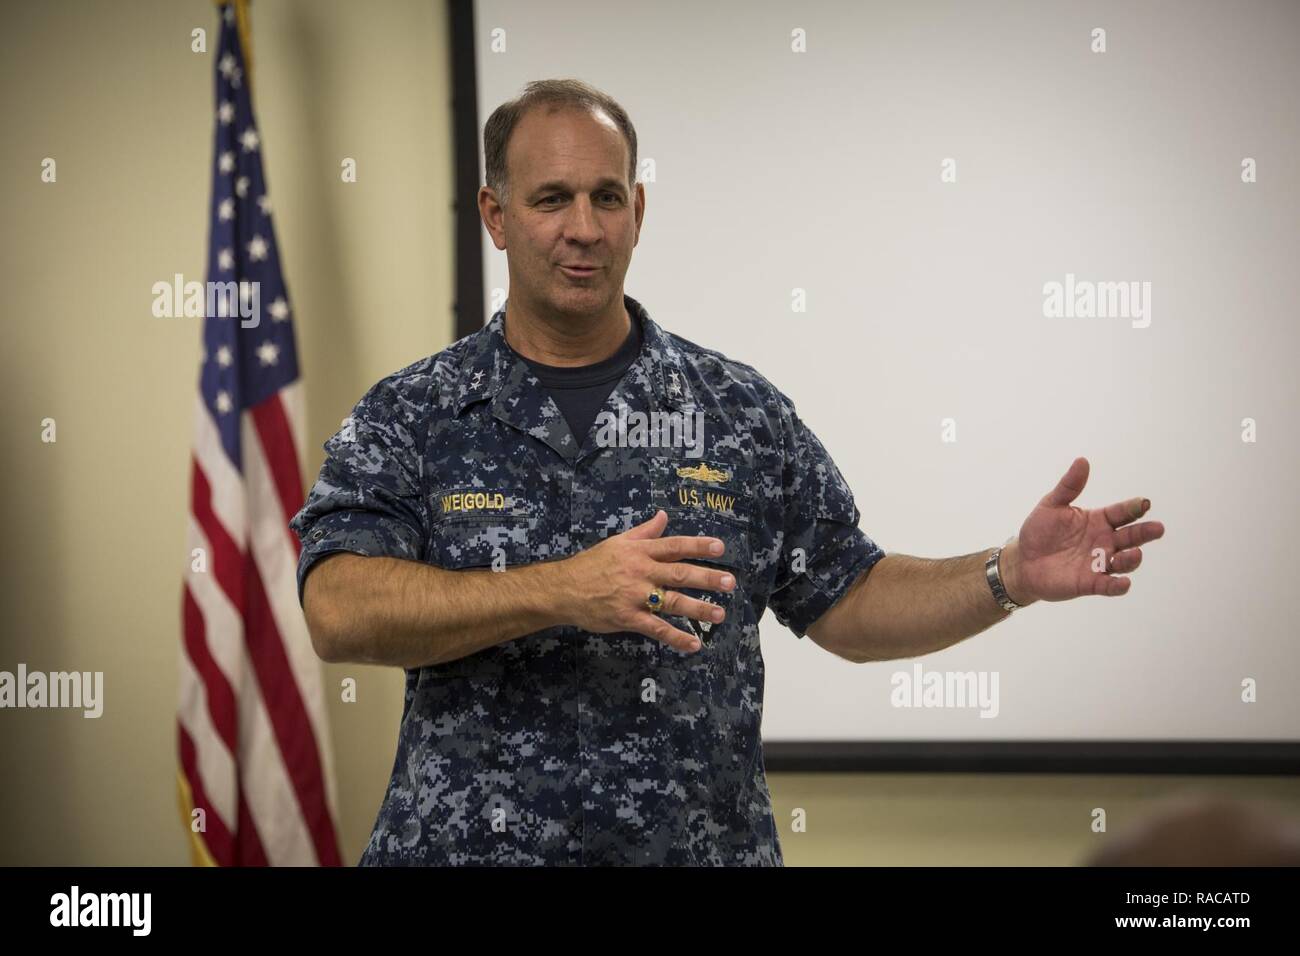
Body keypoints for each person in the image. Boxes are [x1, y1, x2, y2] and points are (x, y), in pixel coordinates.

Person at [290, 78, 1165, 866]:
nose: (583, 228)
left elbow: (848, 600)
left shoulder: (739, 413)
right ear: (496, 214)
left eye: (606, 198)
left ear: (638, 208)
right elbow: (338, 609)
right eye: (551, 198)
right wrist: (561, 590)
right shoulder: (415, 412)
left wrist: (1004, 574)